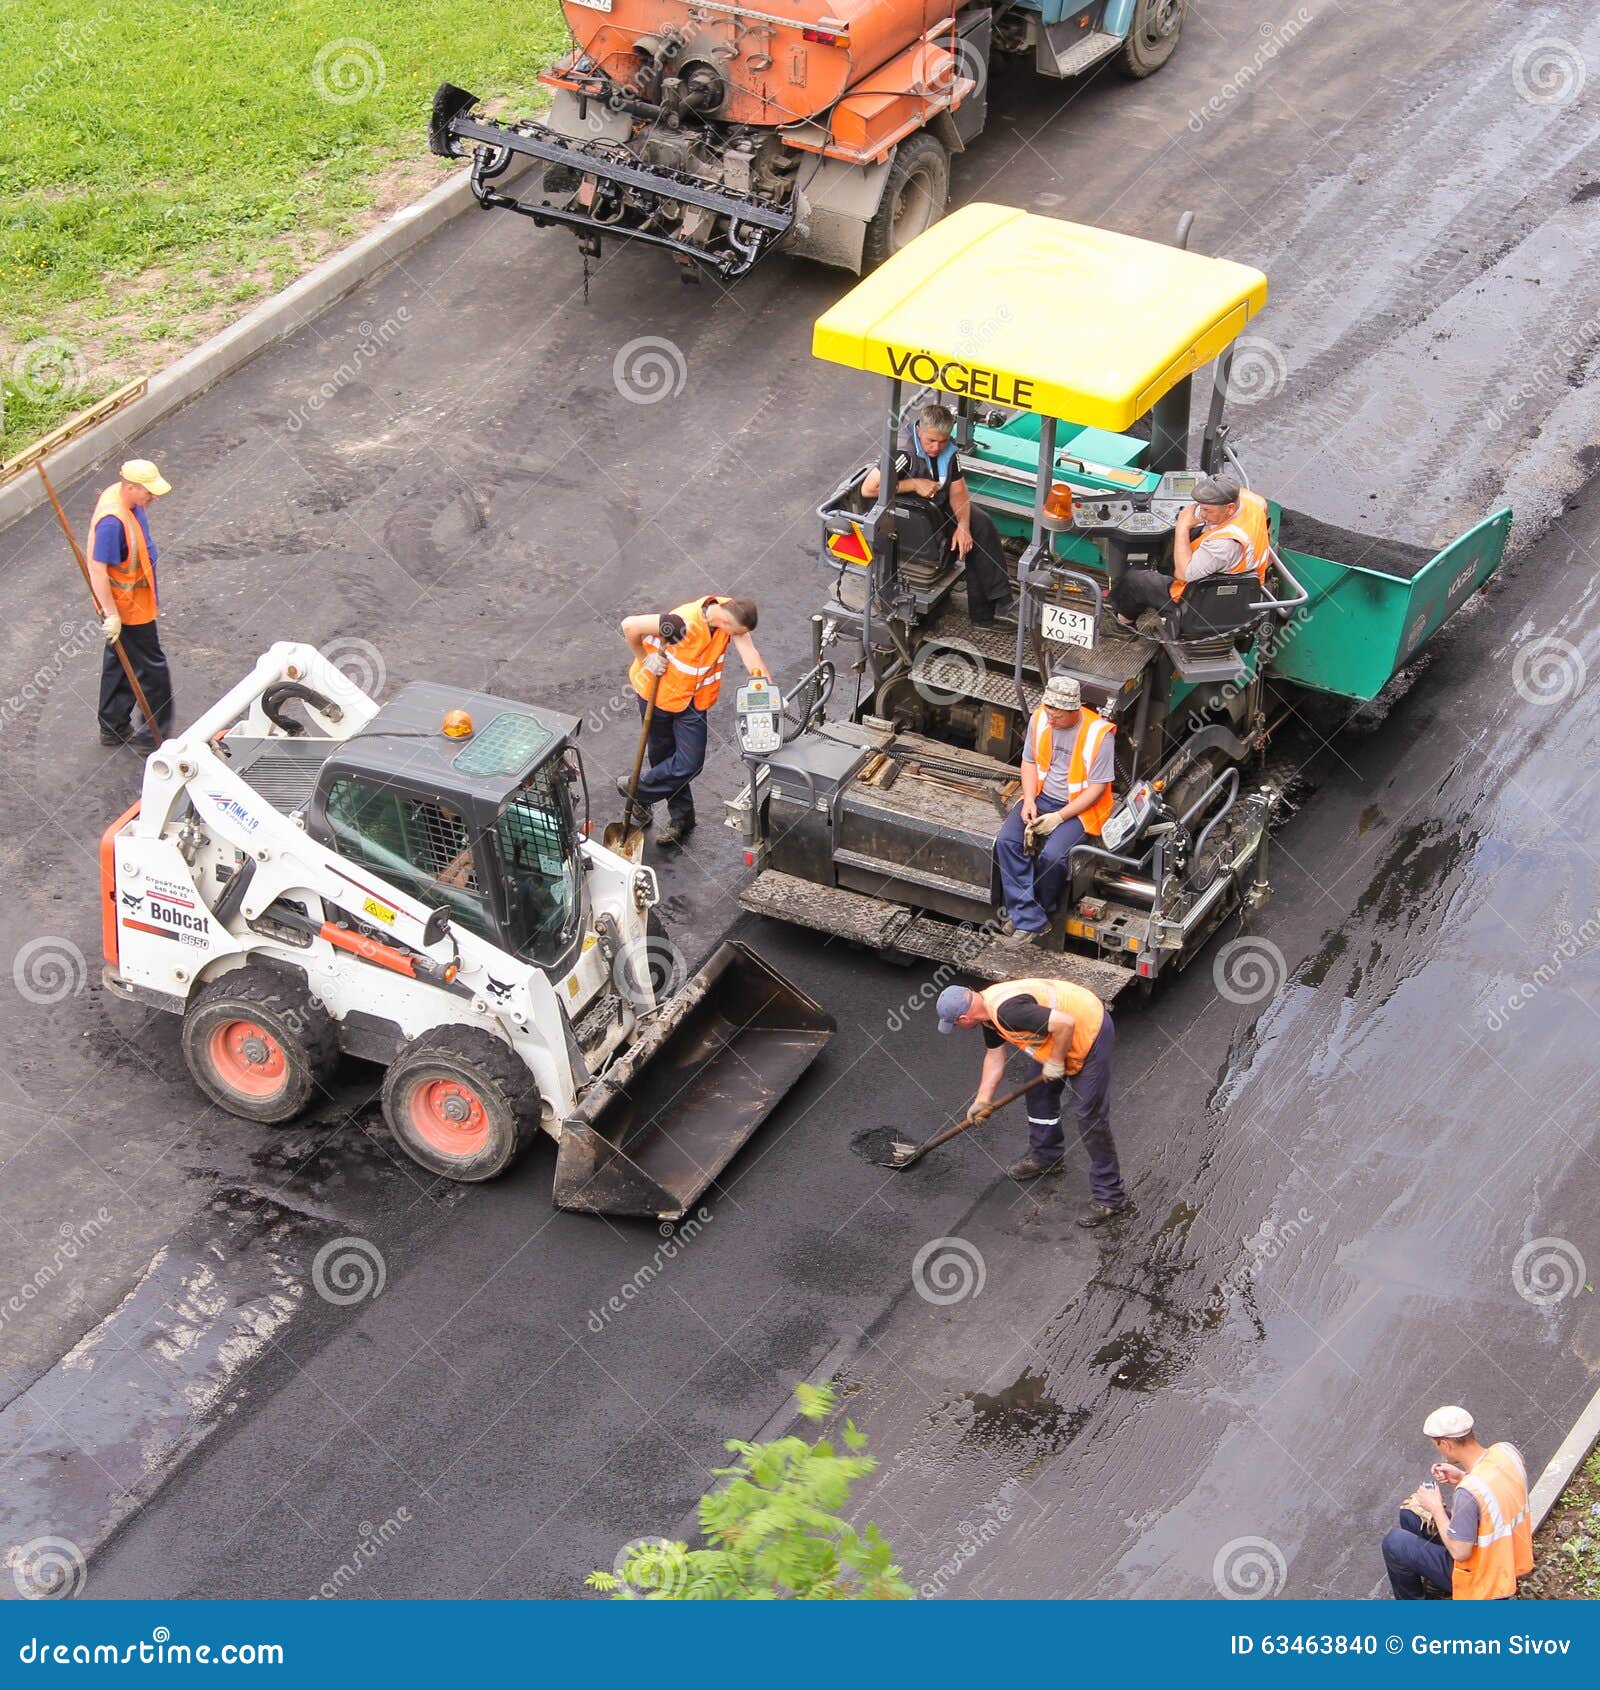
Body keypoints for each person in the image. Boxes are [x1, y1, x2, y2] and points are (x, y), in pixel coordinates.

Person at [935, 977, 1129, 1221]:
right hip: (1058, 1034)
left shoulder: (1007, 1012)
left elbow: (1065, 1023)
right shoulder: (986, 1013)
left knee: (1089, 1116)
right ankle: (1047, 1155)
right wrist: (983, 1100)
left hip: (1089, 1028)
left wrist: (1057, 1062)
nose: (958, 1028)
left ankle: (1111, 1197)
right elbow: (994, 1057)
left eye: (955, 1025)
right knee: (1039, 1093)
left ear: (963, 1019)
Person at [618, 595, 767, 850]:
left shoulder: (731, 613)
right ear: (726, 620)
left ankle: (638, 790)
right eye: (736, 633)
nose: (736, 638)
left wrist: (768, 693)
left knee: (689, 763)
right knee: (662, 757)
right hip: (657, 696)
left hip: (693, 702)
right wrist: (645, 658)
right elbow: (629, 625)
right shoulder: (682, 621)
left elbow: (750, 654)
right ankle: (682, 818)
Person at [859, 401, 1013, 626]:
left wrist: (963, 526)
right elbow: (869, 488)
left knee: (981, 524)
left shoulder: (948, 448)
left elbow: (958, 489)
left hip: (934, 507)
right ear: (920, 429)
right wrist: (913, 484)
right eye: (931, 441)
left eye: (942, 441)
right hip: (907, 514)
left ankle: (994, 606)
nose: (936, 447)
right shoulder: (903, 451)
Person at [994, 674, 1114, 939]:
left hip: (1078, 808)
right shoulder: (1041, 718)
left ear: (1074, 711)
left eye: (1056, 715)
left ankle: (1041, 911)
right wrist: (1028, 800)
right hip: (1041, 797)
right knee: (1006, 842)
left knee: (1054, 857)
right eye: (1048, 711)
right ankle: (1029, 917)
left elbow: (1096, 789)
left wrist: (1059, 818)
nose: (1050, 720)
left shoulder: (1099, 735)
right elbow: (1029, 762)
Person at [1380, 1405, 1533, 1601]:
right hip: (1510, 1553)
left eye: (1436, 1445)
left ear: (1446, 1444)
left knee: (1394, 1542)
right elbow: (1497, 1489)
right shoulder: (1506, 1451)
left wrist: (1435, 1508)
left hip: (1485, 1577)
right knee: (1410, 1516)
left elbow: (1459, 1552)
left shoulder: (1468, 1492)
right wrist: (1462, 1476)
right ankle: (1438, 1585)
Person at [88, 458, 175, 749]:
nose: (153, 497)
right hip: (128, 605)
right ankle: (156, 734)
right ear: (130, 487)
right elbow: (98, 569)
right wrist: (112, 614)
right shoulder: (112, 522)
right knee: (151, 667)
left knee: (121, 660)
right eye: (148, 492)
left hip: (131, 600)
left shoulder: (126, 502)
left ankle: (113, 726)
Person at [1108, 473, 1271, 628]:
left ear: (1229, 507)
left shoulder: (1225, 544)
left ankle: (1123, 623)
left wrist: (1182, 526)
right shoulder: (1251, 500)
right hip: (1244, 592)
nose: (1202, 514)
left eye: (1208, 510)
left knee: (1136, 580)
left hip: (1204, 601)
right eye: (1200, 507)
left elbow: (1184, 574)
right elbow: (1264, 505)